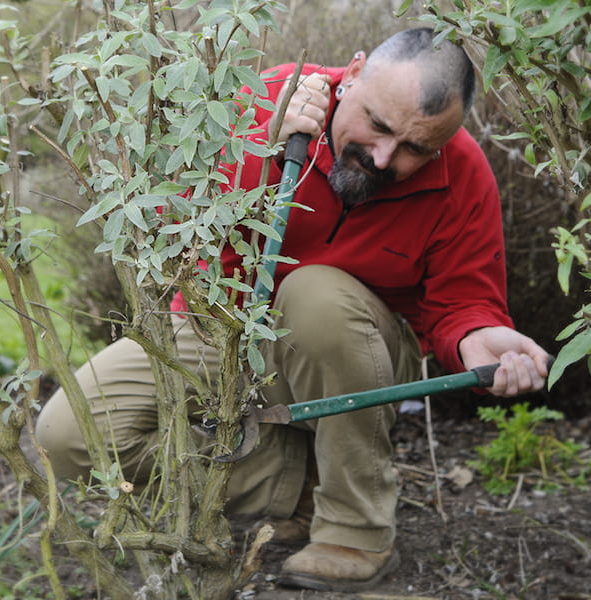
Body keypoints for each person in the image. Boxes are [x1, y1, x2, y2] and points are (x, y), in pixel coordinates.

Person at [36, 28, 552, 592]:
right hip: (220, 326)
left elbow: (462, 300)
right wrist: (264, 147)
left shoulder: (463, 173)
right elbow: (175, 230)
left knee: (314, 293)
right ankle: (294, 484)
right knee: (67, 436)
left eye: (415, 149)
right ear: (352, 73)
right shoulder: (261, 101)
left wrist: (477, 336)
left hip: (354, 348)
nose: (383, 158)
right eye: (377, 126)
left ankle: (356, 532)